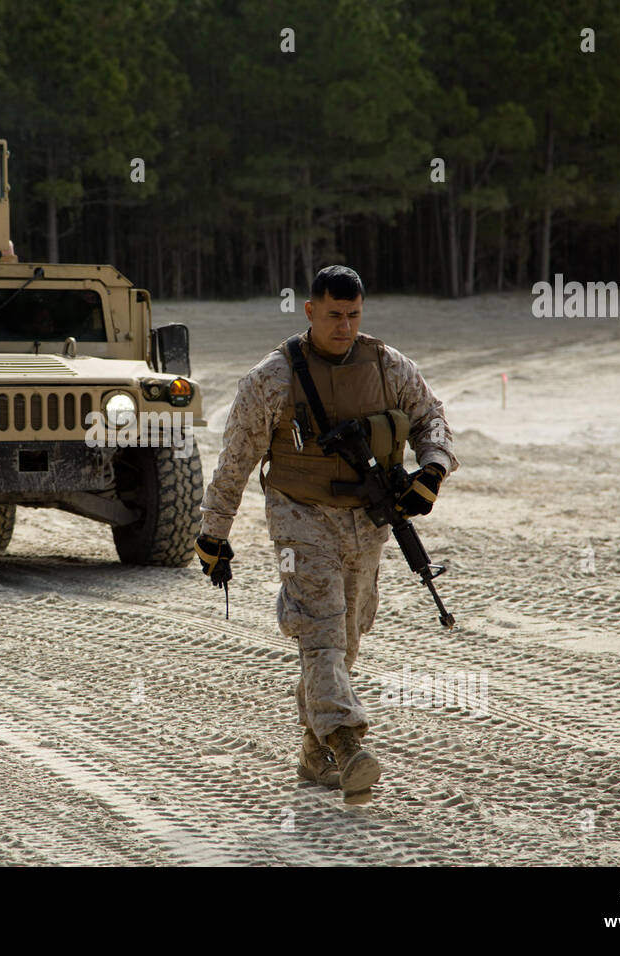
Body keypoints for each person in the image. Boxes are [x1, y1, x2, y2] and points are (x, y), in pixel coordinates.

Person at [194, 265, 458, 804]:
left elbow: (431, 415)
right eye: (334, 315)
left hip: (366, 520)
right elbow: (235, 463)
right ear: (309, 311)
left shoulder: (384, 364)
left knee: (349, 635)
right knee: (321, 630)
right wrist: (213, 535)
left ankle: (315, 755)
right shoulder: (271, 379)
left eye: (354, 315)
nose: (344, 326)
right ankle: (346, 743)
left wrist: (431, 471)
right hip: (299, 518)